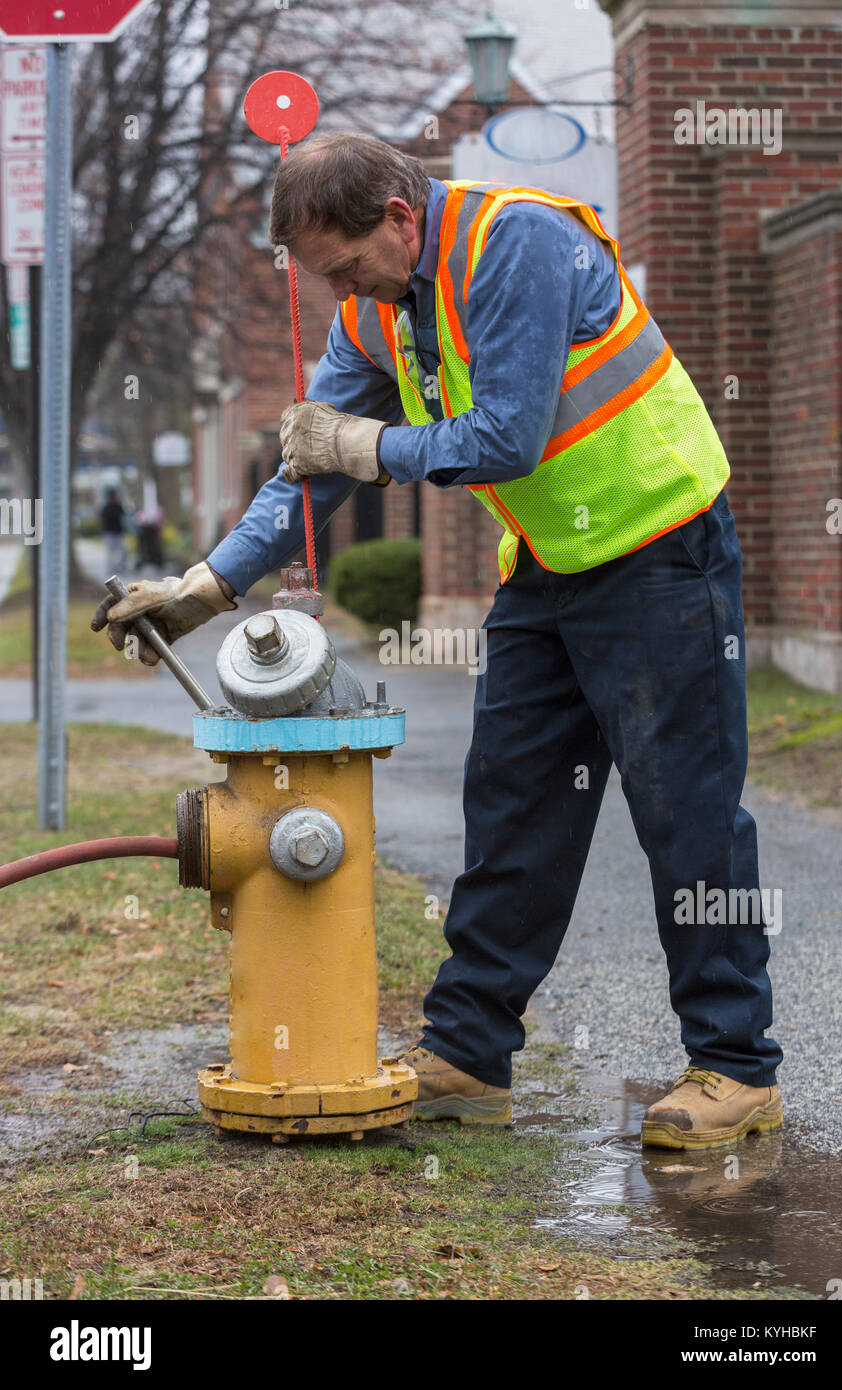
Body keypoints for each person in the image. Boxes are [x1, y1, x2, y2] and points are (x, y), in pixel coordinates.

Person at [92, 134, 783, 1150]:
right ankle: (468, 1053)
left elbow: (503, 434)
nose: (339, 295)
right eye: (319, 276)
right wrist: (207, 583)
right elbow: (309, 464)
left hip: (660, 547)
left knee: (685, 811)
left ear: (398, 218)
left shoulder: (518, 246)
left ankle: (733, 1066)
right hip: (545, 562)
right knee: (510, 805)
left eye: (343, 266)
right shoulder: (374, 306)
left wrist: (366, 446)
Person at [100, 488, 127, 575]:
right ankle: (111, 569)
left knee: (121, 551)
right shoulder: (106, 508)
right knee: (111, 552)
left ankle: (120, 568)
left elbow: (123, 517)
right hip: (110, 533)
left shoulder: (118, 506)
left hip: (119, 532)